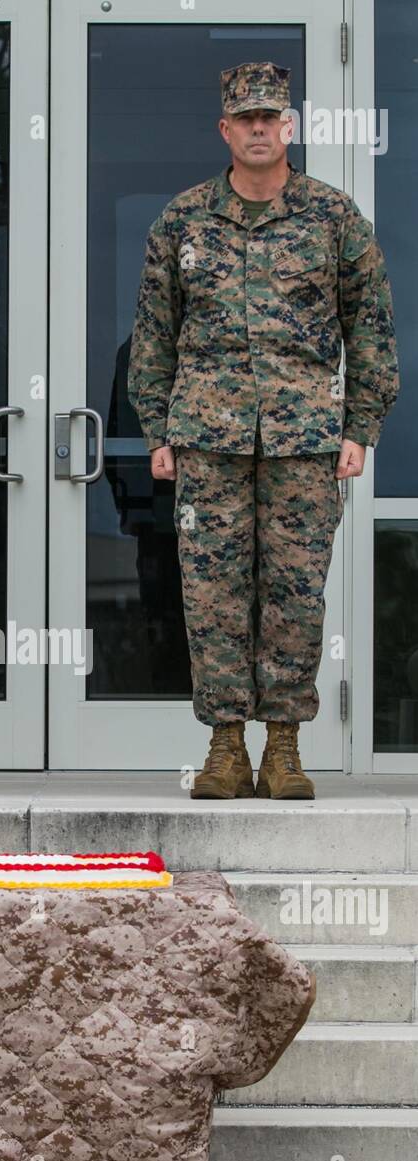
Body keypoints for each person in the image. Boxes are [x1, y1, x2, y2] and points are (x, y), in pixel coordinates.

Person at [128, 60, 399, 799]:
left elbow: (370, 330)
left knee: (294, 596)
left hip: (306, 440)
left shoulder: (334, 218)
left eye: (270, 117)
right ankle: (223, 746)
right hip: (207, 441)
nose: (257, 128)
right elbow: (154, 335)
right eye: (244, 118)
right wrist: (158, 429)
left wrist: (360, 425)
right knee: (212, 595)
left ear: (289, 126)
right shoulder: (182, 220)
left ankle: (283, 745)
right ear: (225, 128)